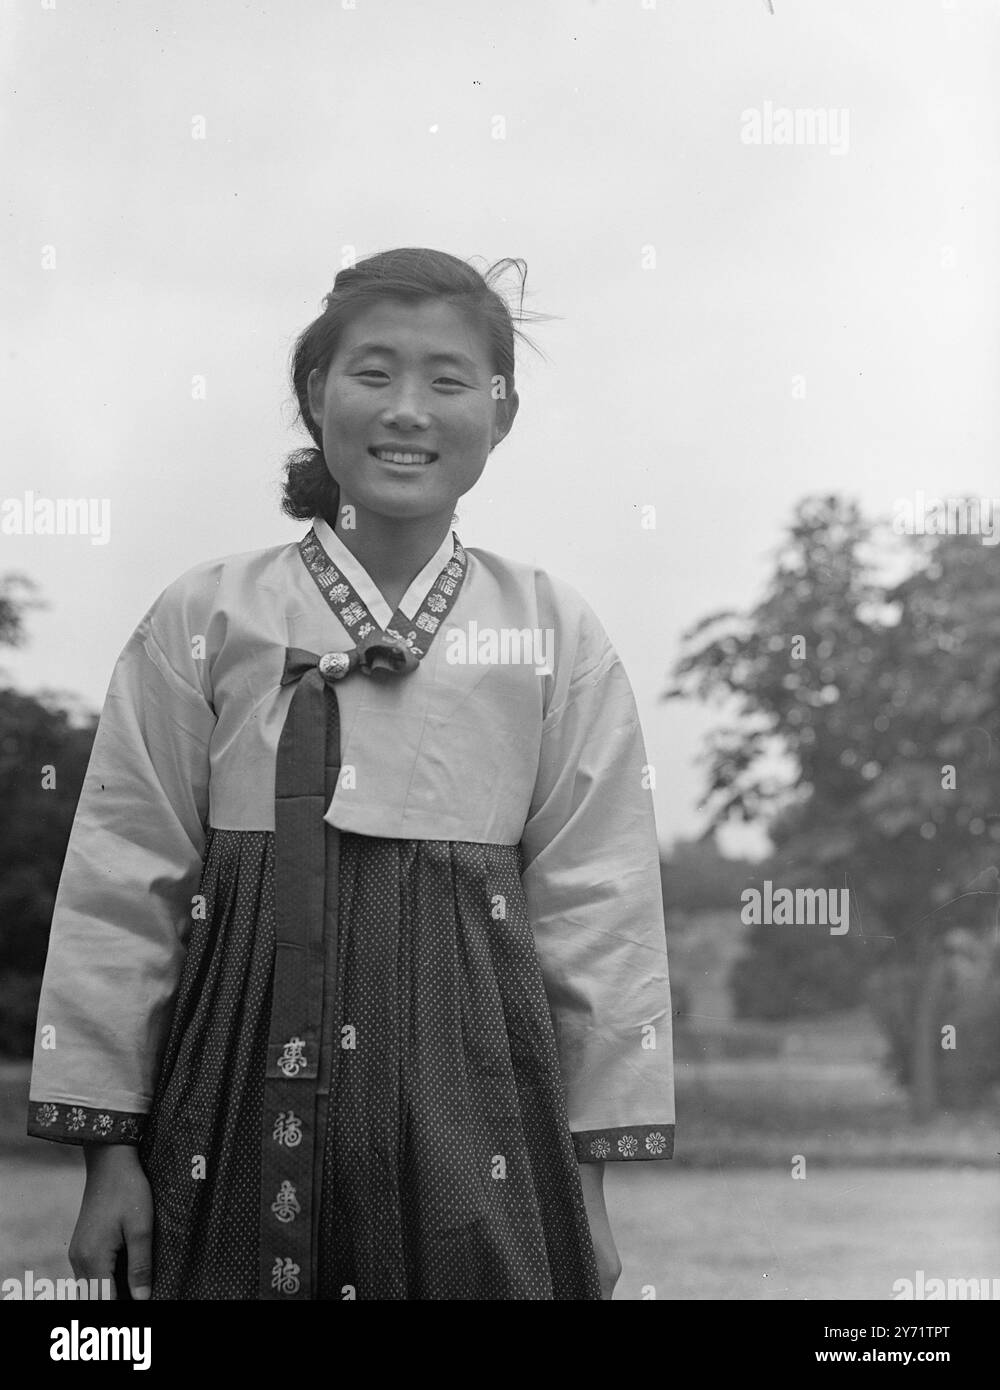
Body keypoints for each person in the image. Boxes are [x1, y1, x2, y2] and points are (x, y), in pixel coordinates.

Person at [28, 247, 675, 1301]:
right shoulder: (207, 615)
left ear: (500, 414)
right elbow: (118, 881)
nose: (407, 409)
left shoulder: (552, 630)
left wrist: (588, 1185)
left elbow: (599, 908)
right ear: (315, 392)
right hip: (235, 1085)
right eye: (373, 373)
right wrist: (109, 1153)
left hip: (475, 1094)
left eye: (448, 379)